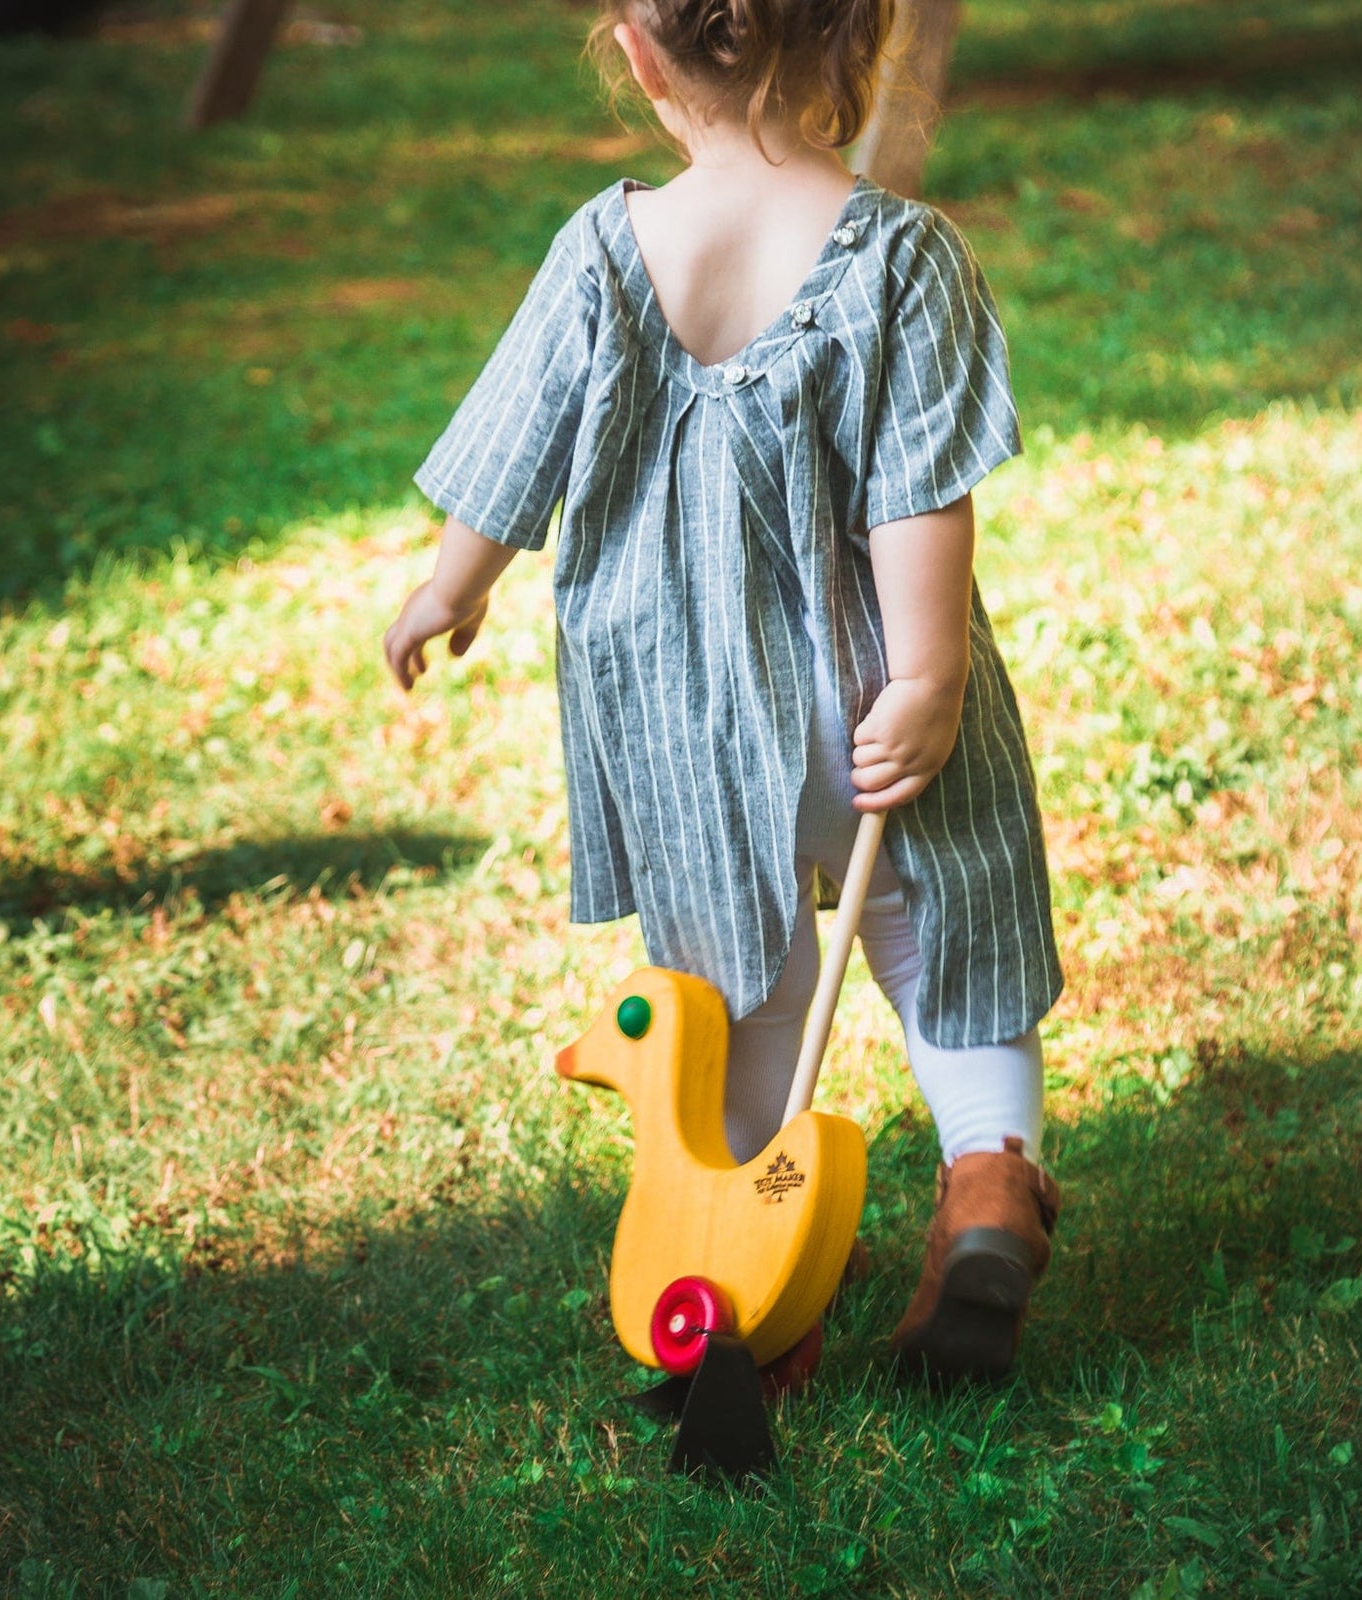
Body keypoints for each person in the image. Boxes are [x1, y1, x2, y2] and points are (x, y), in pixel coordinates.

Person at [381, 0, 1063, 1381]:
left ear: (638, 54)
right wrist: (927, 677)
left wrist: (451, 588)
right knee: (938, 927)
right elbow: (919, 492)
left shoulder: (602, 251)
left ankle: (758, 1273)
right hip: (864, 687)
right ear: (854, 40)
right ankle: (990, 1179)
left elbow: (514, 451)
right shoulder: (905, 253)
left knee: (741, 982)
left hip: (684, 709)